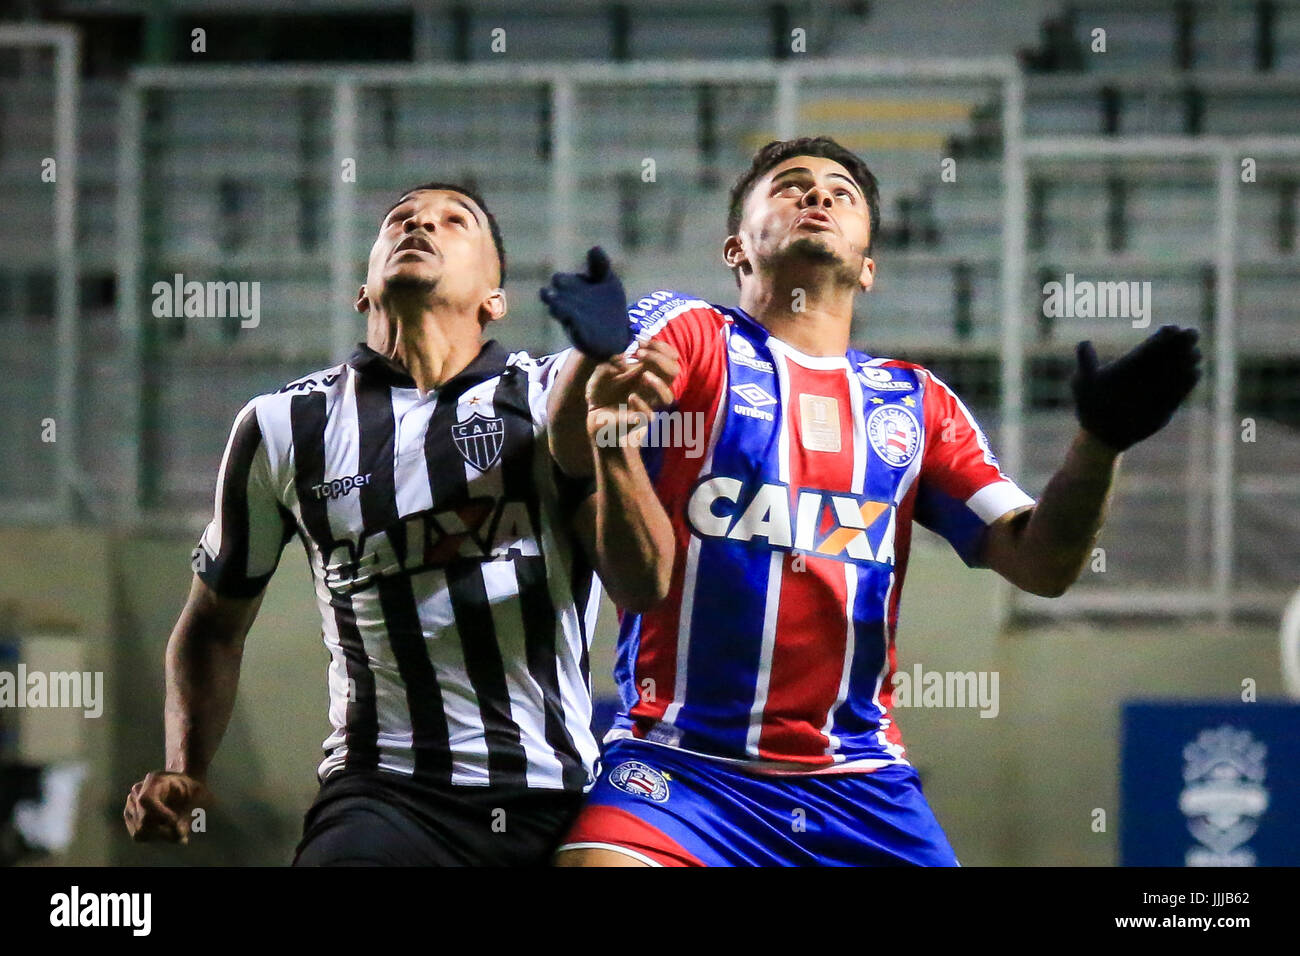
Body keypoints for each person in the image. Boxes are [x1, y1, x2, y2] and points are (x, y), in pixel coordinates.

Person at [540, 137, 1202, 866]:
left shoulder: (914, 403)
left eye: (841, 193)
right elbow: (573, 445)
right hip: (679, 770)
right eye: (791, 186)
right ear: (737, 247)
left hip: (859, 790)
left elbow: (1043, 564)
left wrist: (1099, 445)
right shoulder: (693, 333)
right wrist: (592, 358)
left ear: (869, 268)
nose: (818, 196)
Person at [123, 182, 673, 866]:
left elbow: (644, 583)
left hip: (551, 794)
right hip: (382, 794)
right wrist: (186, 764)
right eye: (401, 221)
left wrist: (602, 378)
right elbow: (212, 624)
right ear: (363, 290)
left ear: (494, 299)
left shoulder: (549, 391)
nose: (421, 225)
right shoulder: (282, 426)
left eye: (454, 221)